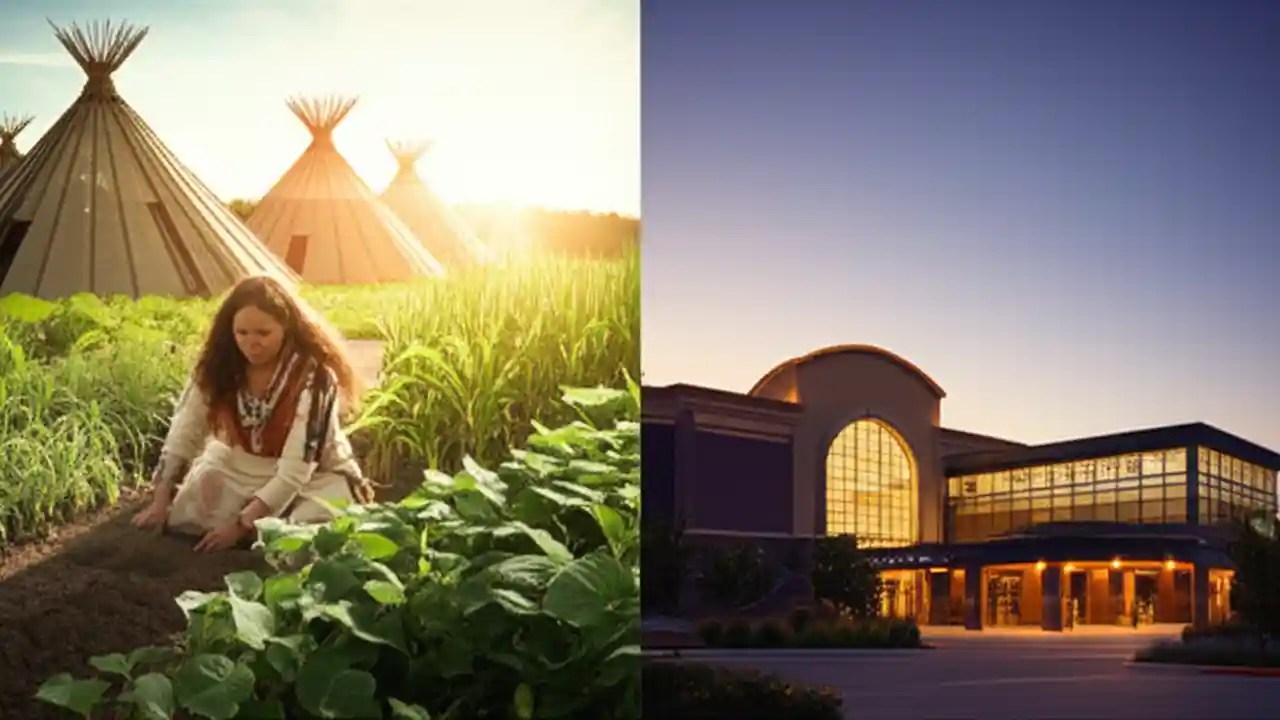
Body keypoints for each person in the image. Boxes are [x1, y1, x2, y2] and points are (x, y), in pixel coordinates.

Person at [131, 275, 376, 552]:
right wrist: (161, 499)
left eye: (263, 333)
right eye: (242, 333)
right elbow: (184, 431)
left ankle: (262, 527)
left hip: (314, 477)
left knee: (307, 535)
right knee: (191, 509)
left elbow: (297, 469)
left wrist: (240, 525)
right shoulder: (217, 368)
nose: (252, 343)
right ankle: (255, 525)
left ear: (285, 328)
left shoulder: (315, 379)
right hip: (241, 466)